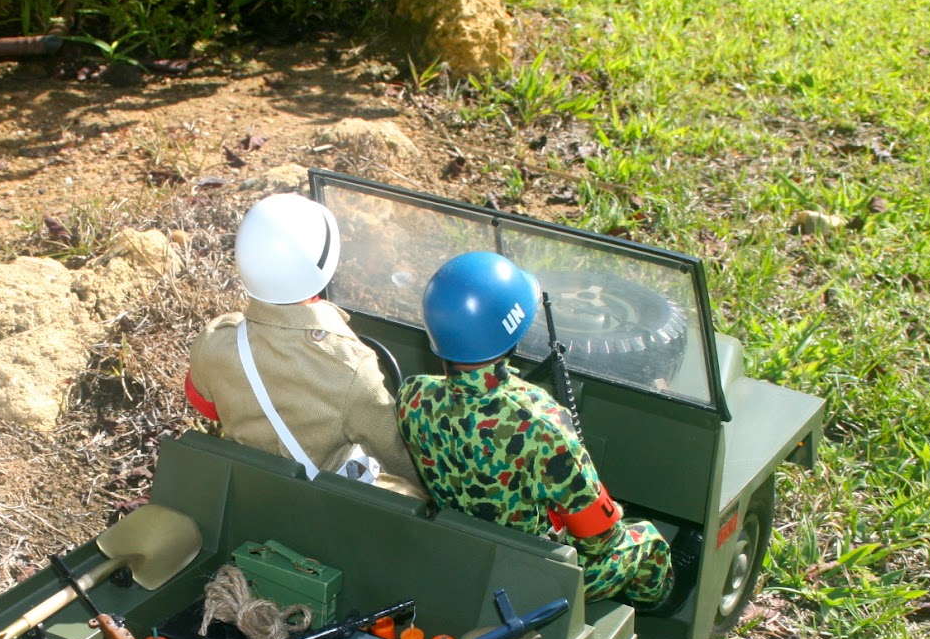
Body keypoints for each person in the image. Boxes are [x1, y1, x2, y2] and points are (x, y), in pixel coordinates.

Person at [396, 251, 673, 607]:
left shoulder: (413, 396)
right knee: (646, 541)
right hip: (531, 579)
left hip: (459, 557)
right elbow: (601, 538)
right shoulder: (540, 424)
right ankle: (651, 609)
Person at [185, 193, 425, 498]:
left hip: (250, 491)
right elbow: (398, 454)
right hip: (327, 502)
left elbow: (206, 405)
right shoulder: (350, 365)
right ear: (324, 262)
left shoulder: (214, 341)